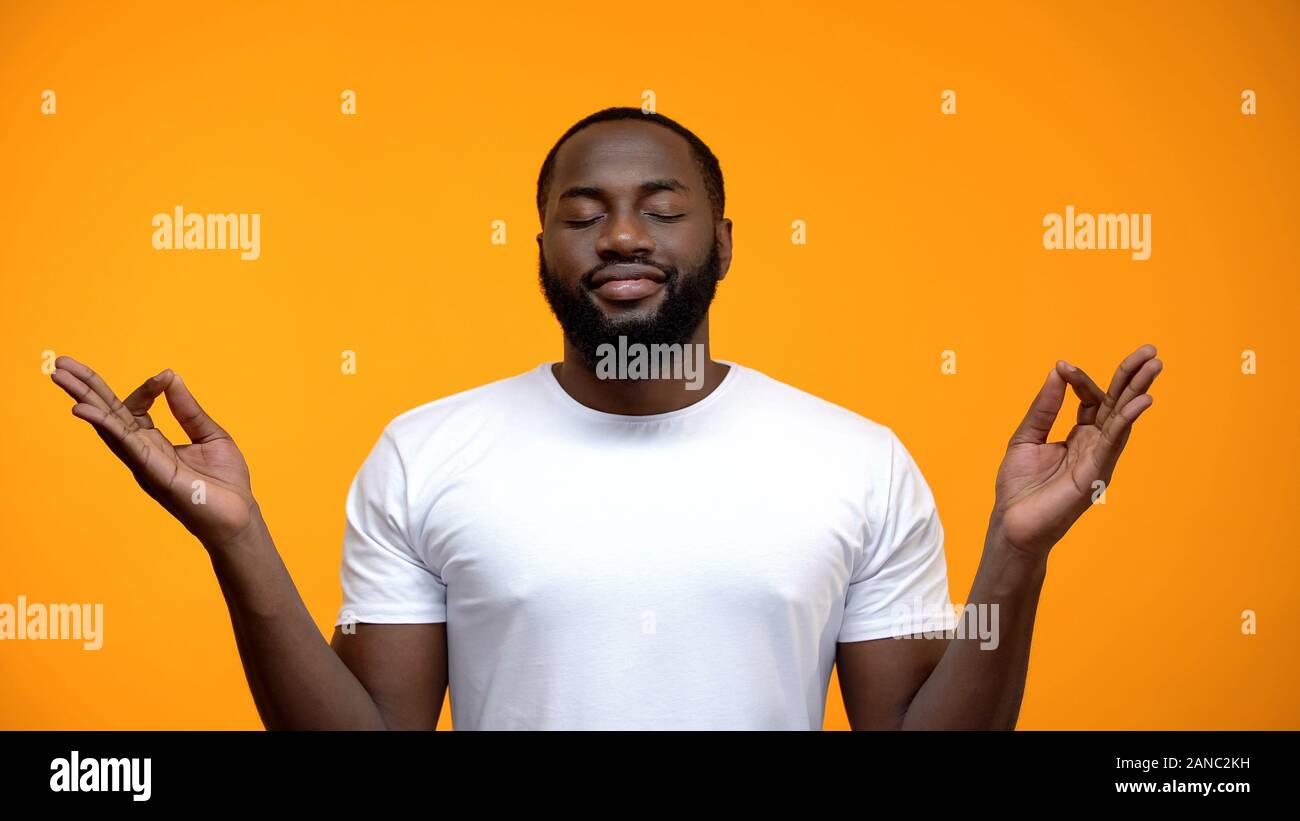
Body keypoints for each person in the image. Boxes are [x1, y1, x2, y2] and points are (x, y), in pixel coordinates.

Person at [48, 106, 1162, 730]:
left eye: (661, 209)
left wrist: (1015, 560)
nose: (622, 234)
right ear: (541, 252)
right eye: (582, 215)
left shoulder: (854, 461)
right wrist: (236, 538)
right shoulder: (427, 451)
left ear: (722, 243)